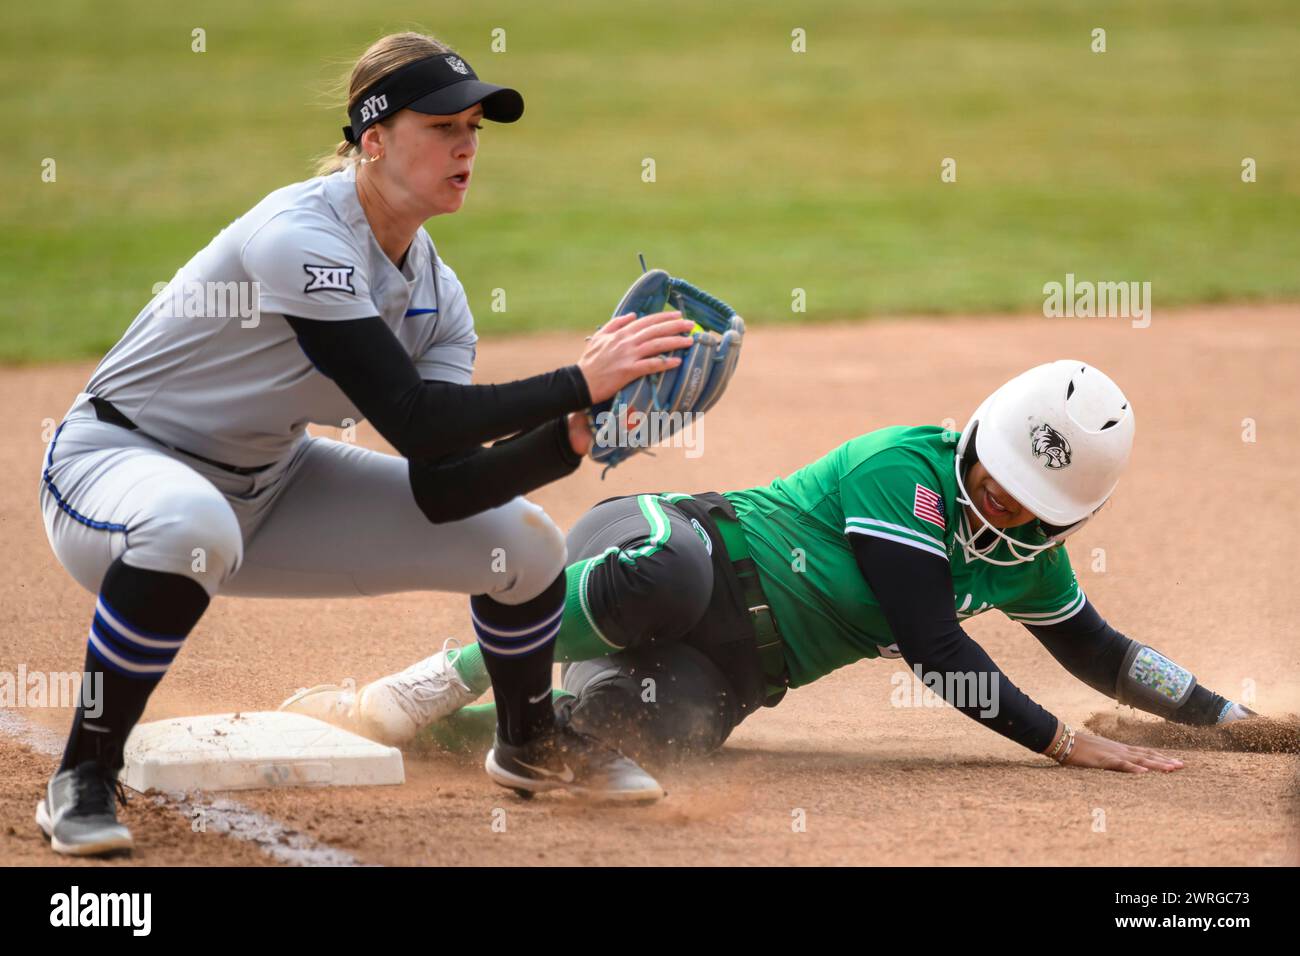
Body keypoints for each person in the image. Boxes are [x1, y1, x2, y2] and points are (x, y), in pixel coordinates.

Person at [36, 31, 692, 857]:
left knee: (523, 544)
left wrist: (567, 439)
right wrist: (577, 382)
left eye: (476, 130)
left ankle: (530, 742)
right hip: (114, 470)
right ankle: (83, 773)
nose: (466, 146)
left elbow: (445, 483)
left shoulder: (439, 295)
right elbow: (412, 415)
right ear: (372, 140)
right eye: (443, 126)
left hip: (269, 487)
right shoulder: (297, 235)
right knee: (189, 527)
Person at [285, 361, 1257, 772]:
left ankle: (403, 733)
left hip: (734, 667)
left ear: (1068, 515)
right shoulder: (901, 466)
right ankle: (429, 680)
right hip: (668, 545)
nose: (997, 508)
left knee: (640, 738)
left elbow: (1099, 647)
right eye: (992, 480)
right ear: (971, 442)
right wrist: (1059, 741)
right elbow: (928, 635)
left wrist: (1230, 718)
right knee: (663, 578)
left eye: (1026, 506)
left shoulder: (1026, 564)